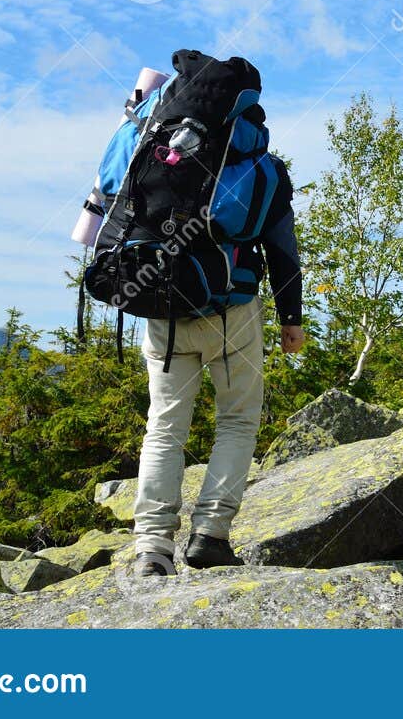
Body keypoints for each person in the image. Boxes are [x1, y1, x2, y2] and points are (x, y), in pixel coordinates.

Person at [133, 167, 305, 576]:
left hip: (166, 309)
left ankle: (152, 548)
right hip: (233, 310)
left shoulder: (153, 151)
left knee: (164, 427)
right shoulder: (262, 165)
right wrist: (291, 316)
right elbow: (281, 244)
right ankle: (210, 535)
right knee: (237, 422)